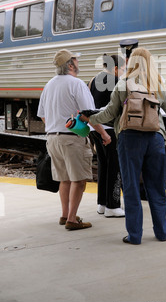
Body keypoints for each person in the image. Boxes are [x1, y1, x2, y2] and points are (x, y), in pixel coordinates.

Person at [80, 48, 166, 245]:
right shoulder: (157, 84)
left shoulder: (123, 84)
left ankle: (135, 236)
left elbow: (109, 114)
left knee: (130, 187)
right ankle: (162, 232)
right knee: (156, 187)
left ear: (132, 62)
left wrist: (90, 117)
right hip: (155, 140)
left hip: (130, 140)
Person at [37, 49, 111, 231]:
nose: (78, 63)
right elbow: (90, 115)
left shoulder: (49, 85)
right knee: (78, 180)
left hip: (53, 139)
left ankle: (64, 215)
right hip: (72, 139)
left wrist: (57, 125)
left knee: (64, 179)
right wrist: (104, 134)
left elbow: (42, 116)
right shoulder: (76, 84)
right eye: (76, 60)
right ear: (70, 65)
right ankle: (72, 219)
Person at [89, 54, 126, 217]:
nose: (123, 73)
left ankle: (102, 204)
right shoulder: (116, 82)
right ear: (116, 68)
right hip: (110, 129)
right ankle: (113, 205)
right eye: (123, 69)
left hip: (94, 128)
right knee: (115, 165)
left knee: (103, 164)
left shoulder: (92, 81)